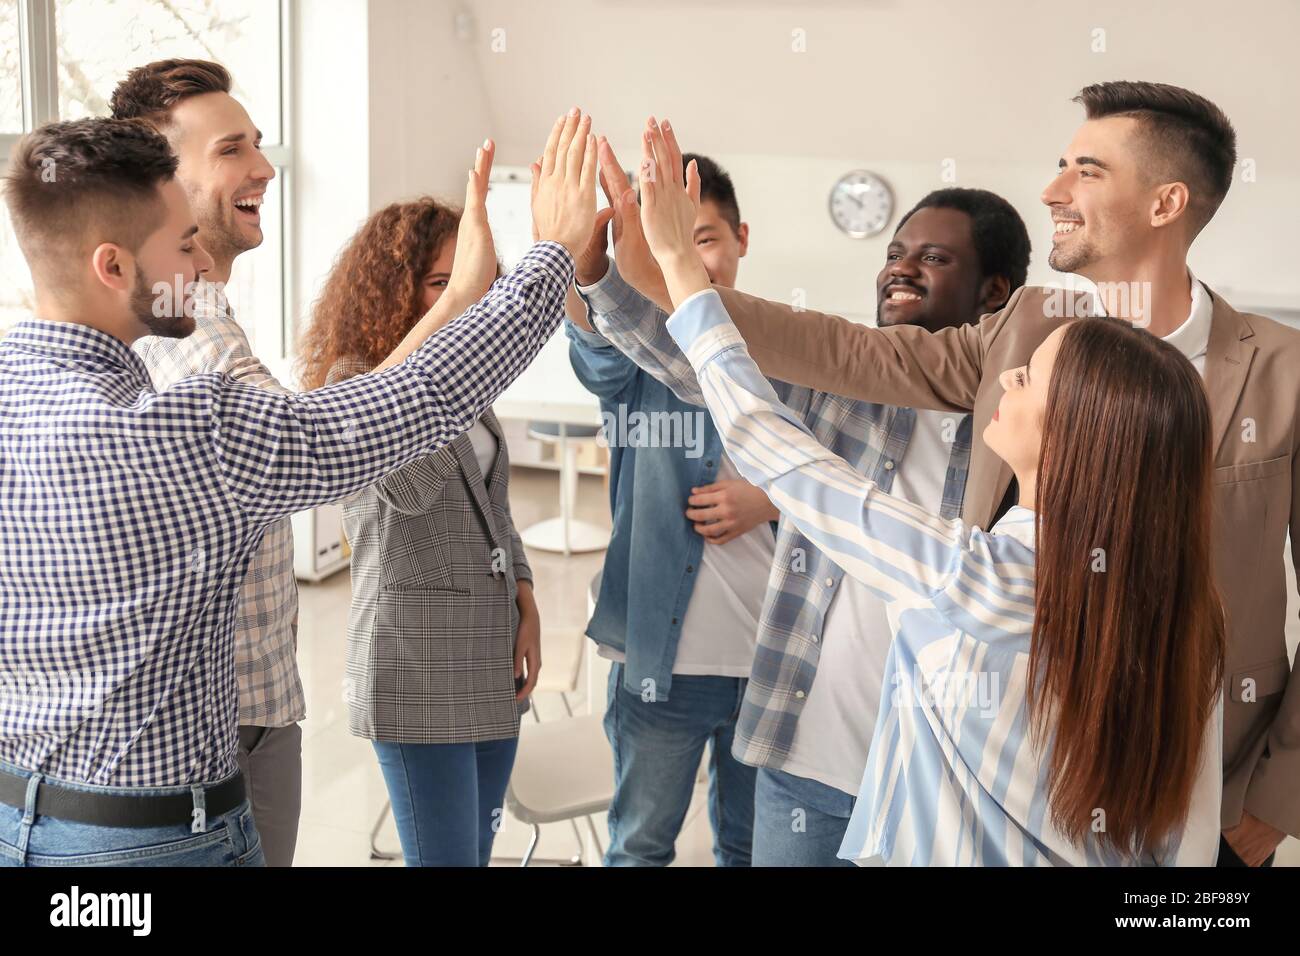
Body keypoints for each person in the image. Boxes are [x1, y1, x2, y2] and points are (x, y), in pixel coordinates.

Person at [606, 83, 1300, 867]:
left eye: (1088, 170)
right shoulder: (1031, 332)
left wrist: (1279, 801)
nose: (1053, 189)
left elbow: (778, 454)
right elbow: (841, 354)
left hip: (1183, 787)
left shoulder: (990, 579)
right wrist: (665, 283)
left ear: (1166, 201)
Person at [0, 110, 596, 866]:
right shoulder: (188, 430)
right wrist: (552, 258)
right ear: (113, 268)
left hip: (23, 824)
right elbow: (414, 403)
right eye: (185, 247)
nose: (203, 268)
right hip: (153, 844)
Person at [580, 168, 1031, 864]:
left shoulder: (1021, 434)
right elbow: (694, 360)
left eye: (933, 258)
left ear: (995, 292)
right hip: (807, 769)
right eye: (893, 254)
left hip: (936, 777)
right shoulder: (846, 385)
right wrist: (594, 267)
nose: (901, 269)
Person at [296, 197, 540, 867]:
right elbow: (412, 486)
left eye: (480, 282)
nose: (469, 300)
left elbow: (495, 506)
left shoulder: (467, 385)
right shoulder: (357, 385)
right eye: (445, 283)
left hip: (490, 655)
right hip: (413, 662)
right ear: (396, 290)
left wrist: (525, 593)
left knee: (475, 854)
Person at [567, 149, 775, 866]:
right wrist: (576, 260)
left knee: (750, 848)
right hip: (662, 667)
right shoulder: (640, 358)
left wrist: (770, 500)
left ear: (743, 238)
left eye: (706, 239)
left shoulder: (790, 348)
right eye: (670, 245)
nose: (692, 263)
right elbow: (595, 348)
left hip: (771, 664)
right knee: (642, 846)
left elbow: (846, 479)